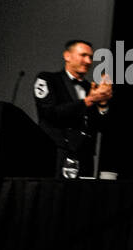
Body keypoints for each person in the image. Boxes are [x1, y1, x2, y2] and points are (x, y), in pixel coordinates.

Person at [34, 39, 113, 176]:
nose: (88, 61)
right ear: (67, 56)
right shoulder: (48, 79)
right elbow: (50, 113)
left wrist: (102, 104)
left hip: (85, 158)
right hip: (55, 154)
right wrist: (89, 101)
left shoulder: (91, 88)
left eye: (90, 57)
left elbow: (101, 127)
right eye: (83, 55)